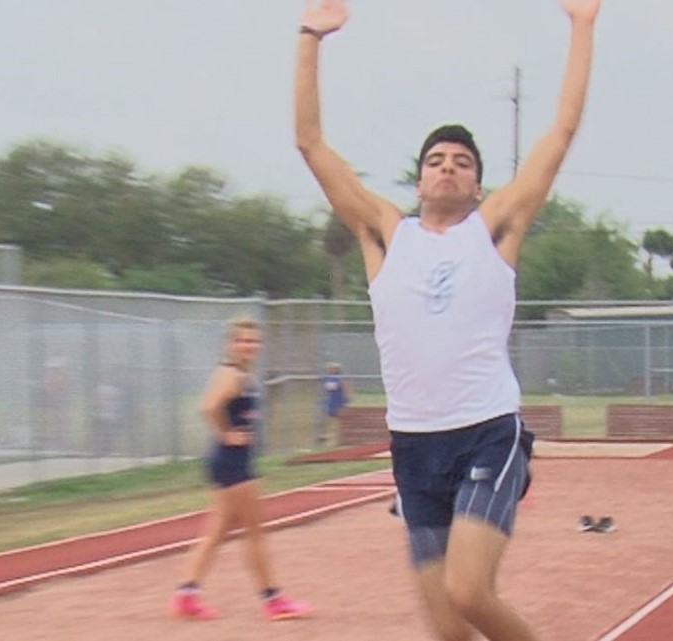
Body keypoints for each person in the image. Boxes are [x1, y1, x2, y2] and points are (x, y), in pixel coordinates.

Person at [294, 1, 599, 639]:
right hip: (413, 444)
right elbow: (311, 144)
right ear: (419, 178)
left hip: (486, 431)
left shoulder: (493, 230)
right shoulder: (384, 233)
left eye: (462, 161)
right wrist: (310, 37)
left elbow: (560, 133)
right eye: (437, 159)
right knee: (446, 630)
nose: (449, 166)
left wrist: (582, 24)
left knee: (467, 591)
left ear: (479, 186)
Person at [169, 317, 310, 621]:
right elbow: (207, 406)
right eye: (242, 340)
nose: (249, 346)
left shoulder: (241, 375)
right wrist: (226, 433)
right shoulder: (230, 374)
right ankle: (272, 598)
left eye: (253, 341)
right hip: (232, 462)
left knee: (217, 531)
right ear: (230, 344)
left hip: (231, 461)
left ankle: (186, 594)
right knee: (255, 532)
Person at [317, 362, 350, 445]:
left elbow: (345, 387)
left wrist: (346, 398)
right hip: (329, 401)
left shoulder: (340, 378)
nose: (329, 370)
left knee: (337, 420)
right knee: (326, 418)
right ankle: (324, 436)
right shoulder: (327, 378)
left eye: (331, 368)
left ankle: (336, 439)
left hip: (338, 401)